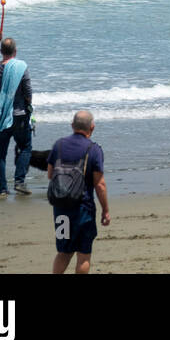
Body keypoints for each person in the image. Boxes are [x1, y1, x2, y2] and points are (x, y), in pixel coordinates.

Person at [48, 110, 109, 274]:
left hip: (61, 209)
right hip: (84, 210)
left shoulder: (58, 145)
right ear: (92, 127)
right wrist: (105, 210)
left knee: (64, 252)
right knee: (83, 255)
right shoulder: (94, 149)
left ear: (72, 126)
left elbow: (50, 175)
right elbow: (100, 185)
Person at [0, 32, 33, 195]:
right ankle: (19, 181)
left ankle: (2, 189)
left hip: (1, 116)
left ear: (1, 51)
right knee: (25, 147)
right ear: (15, 51)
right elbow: (28, 92)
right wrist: (28, 107)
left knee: (1, 153)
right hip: (19, 115)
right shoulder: (21, 67)